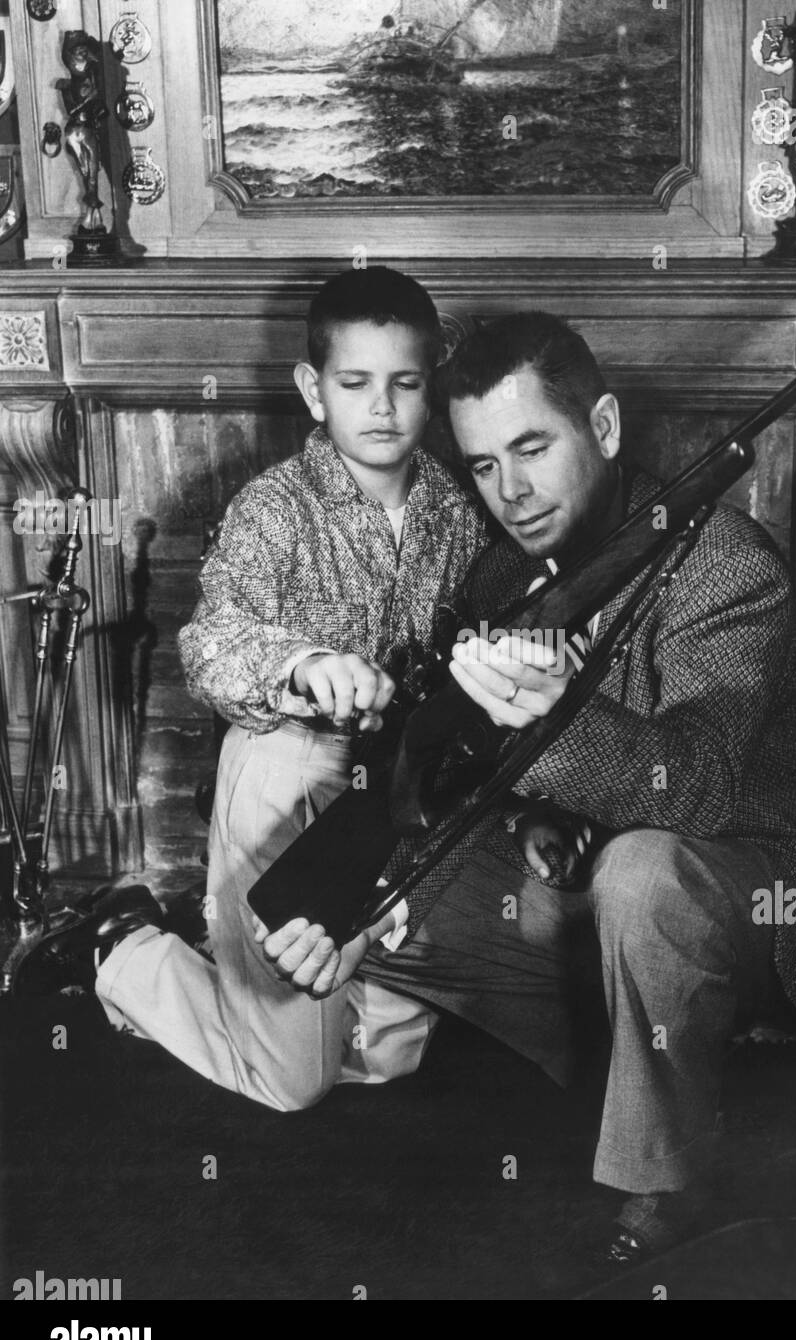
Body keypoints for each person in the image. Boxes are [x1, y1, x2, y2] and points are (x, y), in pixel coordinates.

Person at [266, 312, 796, 1286]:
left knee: (640, 875)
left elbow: (702, 785)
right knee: (391, 905)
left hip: (770, 888)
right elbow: (447, 785)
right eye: (479, 465)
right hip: (593, 875)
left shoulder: (723, 563)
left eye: (531, 447)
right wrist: (357, 906)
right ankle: (617, 1062)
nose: (510, 491)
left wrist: (555, 723)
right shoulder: (502, 573)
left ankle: (665, 1176)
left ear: (601, 422)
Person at [17, 266, 488, 1113]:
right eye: (355, 384)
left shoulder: (454, 510)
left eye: (405, 384)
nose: (381, 408)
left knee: (388, 1057)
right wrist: (303, 665)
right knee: (293, 1082)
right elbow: (210, 646)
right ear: (314, 390)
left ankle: (231, 977)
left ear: (432, 390)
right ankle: (123, 949)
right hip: (284, 771)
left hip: (395, 788)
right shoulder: (273, 506)